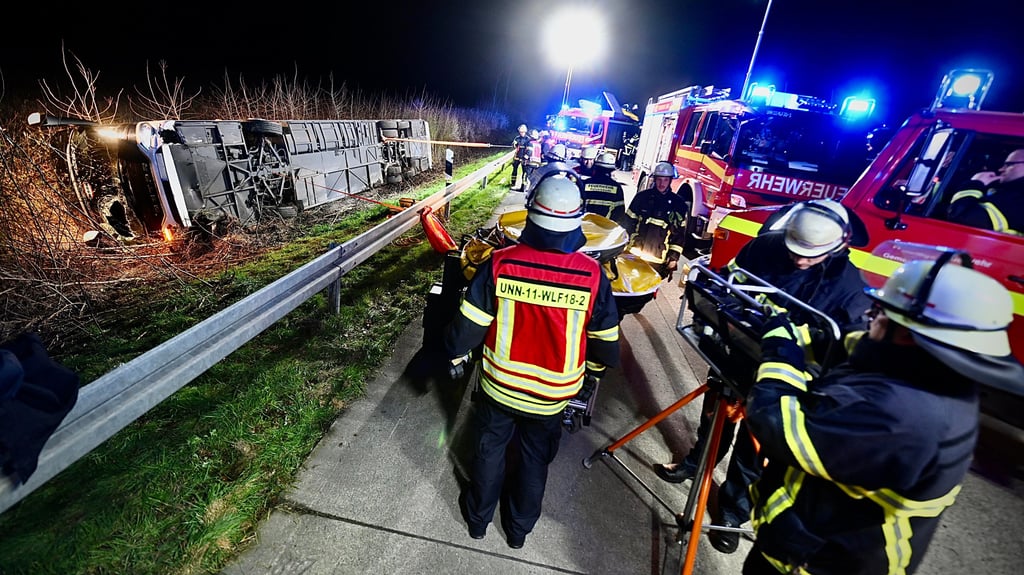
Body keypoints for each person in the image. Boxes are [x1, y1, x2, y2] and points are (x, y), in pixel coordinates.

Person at [742, 253, 1023, 574]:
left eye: (878, 313)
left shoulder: (904, 415)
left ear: (907, 334)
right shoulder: (924, 370)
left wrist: (779, 352)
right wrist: (795, 334)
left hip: (818, 565)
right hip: (797, 543)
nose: (870, 318)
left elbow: (776, 423)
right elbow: (848, 345)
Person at [654, 199, 873, 554]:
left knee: (753, 449)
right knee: (713, 418)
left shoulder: (848, 291)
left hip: (779, 380)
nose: (799, 260)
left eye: (809, 255)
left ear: (840, 244)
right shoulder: (766, 247)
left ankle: (731, 513)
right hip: (736, 354)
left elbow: (839, 353)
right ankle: (696, 464)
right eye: (794, 250)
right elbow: (729, 280)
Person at [445, 166, 621, 550]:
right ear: (576, 221)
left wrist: (456, 354)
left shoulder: (500, 263)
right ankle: (518, 531)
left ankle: (477, 521)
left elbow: (469, 323)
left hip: (500, 386)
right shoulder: (592, 276)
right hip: (552, 396)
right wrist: (592, 374)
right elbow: (605, 341)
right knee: (533, 461)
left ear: (532, 213)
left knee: (489, 452)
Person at [623, 161, 688, 279]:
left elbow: (678, 235)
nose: (661, 183)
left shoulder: (678, 204)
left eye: (665, 180)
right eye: (659, 179)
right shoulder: (642, 197)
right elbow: (627, 223)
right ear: (654, 179)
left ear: (670, 180)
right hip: (634, 254)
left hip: (658, 260)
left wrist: (673, 258)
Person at [947, 147, 1024, 235]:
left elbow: (960, 220)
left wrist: (975, 183)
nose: (1001, 169)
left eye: (1009, 164)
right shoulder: (1007, 192)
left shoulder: (1018, 201)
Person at [580, 151, 628, 227]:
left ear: (595, 167)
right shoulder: (617, 188)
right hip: (605, 230)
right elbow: (619, 215)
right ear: (612, 170)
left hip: (584, 227)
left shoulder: (585, 184)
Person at [510, 124, 532, 191]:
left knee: (524, 172)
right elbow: (513, 146)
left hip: (524, 157)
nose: (521, 133)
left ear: (525, 132)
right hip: (517, 156)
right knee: (514, 171)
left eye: (522, 132)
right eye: (520, 132)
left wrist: (526, 156)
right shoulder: (517, 138)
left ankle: (523, 186)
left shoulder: (528, 139)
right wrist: (514, 144)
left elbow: (530, 149)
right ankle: (513, 183)